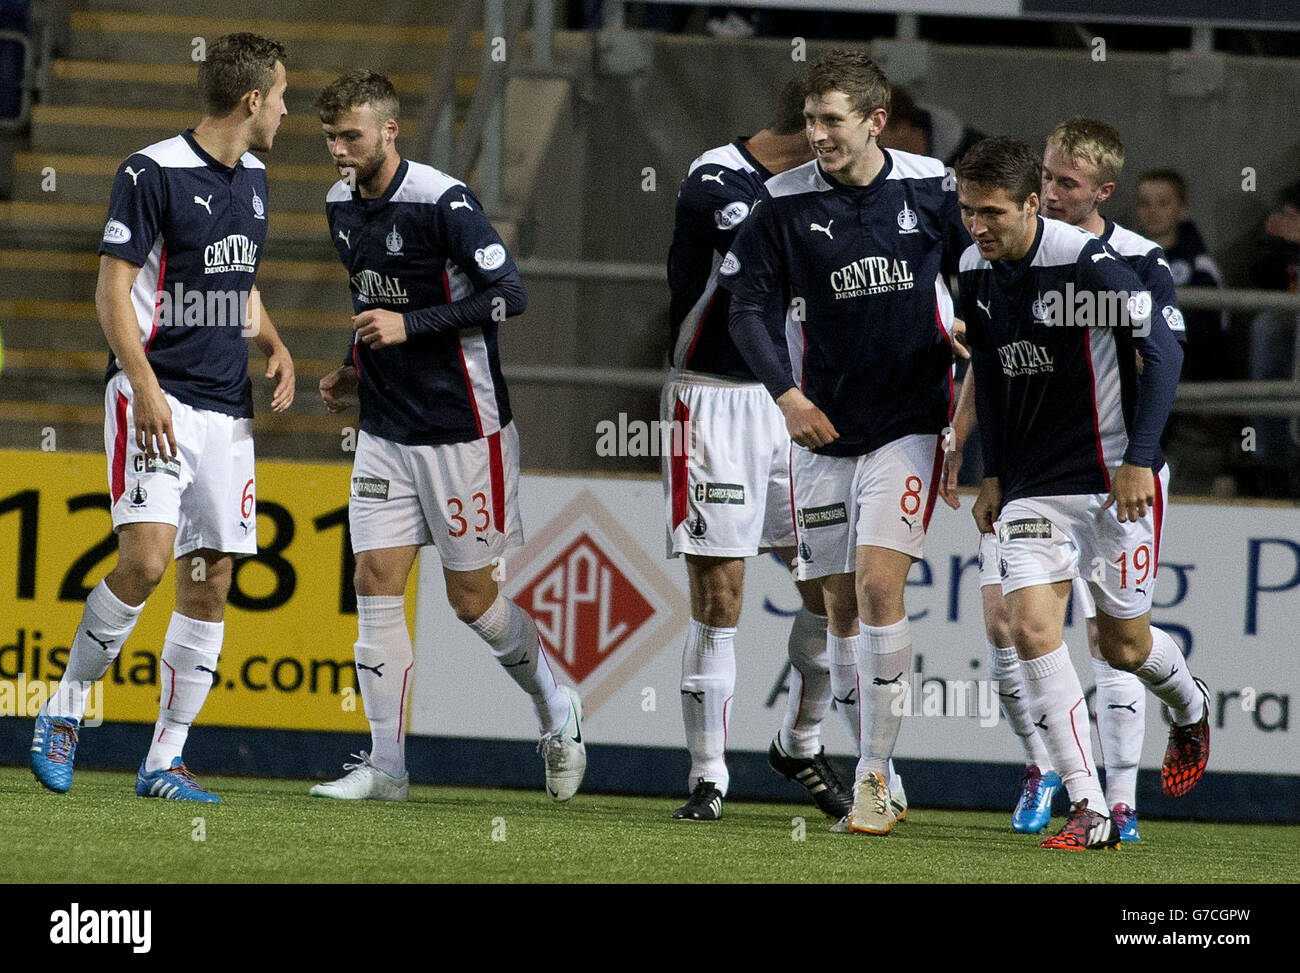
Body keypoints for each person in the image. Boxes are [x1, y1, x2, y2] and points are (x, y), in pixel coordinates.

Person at [29, 33, 297, 801]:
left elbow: (235, 276)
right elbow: (111, 294)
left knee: (208, 584)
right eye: (280, 96)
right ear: (251, 100)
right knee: (146, 561)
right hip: (157, 396)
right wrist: (142, 385)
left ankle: (163, 761)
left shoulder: (255, 178)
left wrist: (272, 340)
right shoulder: (150, 172)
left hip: (227, 412)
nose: (285, 109)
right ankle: (65, 709)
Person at [310, 71, 584, 803]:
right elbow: (370, 298)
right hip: (386, 430)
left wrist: (410, 326)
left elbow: (510, 296)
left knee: (472, 602)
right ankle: (387, 767)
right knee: (374, 581)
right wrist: (351, 369)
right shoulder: (340, 205)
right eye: (331, 137)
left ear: (390, 131)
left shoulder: (443, 202)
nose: (339, 151)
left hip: (465, 430)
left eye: (352, 137)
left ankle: (556, 703)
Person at [721, 49, 968, 835]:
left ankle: (873, 777)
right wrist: (787, 397)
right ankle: (855, 757)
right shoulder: (782, 202)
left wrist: (969, 322)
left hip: (908, 425)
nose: (816, 133)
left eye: (832, 120)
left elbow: (990, 261)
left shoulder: (931, 187)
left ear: (875, 121)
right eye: (809, 119)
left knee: (875, 589)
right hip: (822, 431)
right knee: (836, 610)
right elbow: (745, 312)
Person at [956, 135, 1210, 850]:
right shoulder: (974, 267)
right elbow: (998, 377)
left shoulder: (1088, 261)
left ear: (1032, 206)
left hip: (1109, 484)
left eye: (993, 212)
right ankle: (1090, 806)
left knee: (1124, 646)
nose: (979, 226)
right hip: (1035, 488)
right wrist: (995, 472)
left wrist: (1139, 458)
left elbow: (1162, 349)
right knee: (1031, 629)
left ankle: (1190, 707)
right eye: (969, 210)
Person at [663, 78, 863, 823]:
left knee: (831, 591)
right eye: (834, 130)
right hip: (713, 399)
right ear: (809, 130)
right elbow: (771, 263)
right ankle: (708, 776)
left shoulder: (834, 188)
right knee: (720, 596)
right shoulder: (718, 178)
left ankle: (800, 741)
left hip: (796, 403)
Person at [1133, 168, 1229, 382]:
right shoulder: (1122, 260)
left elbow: (1210, 333)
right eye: (1144, 203)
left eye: (1163, 203)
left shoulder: (1200, 266)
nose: (1153, 211)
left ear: (1182, 210)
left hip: (1192, 372)